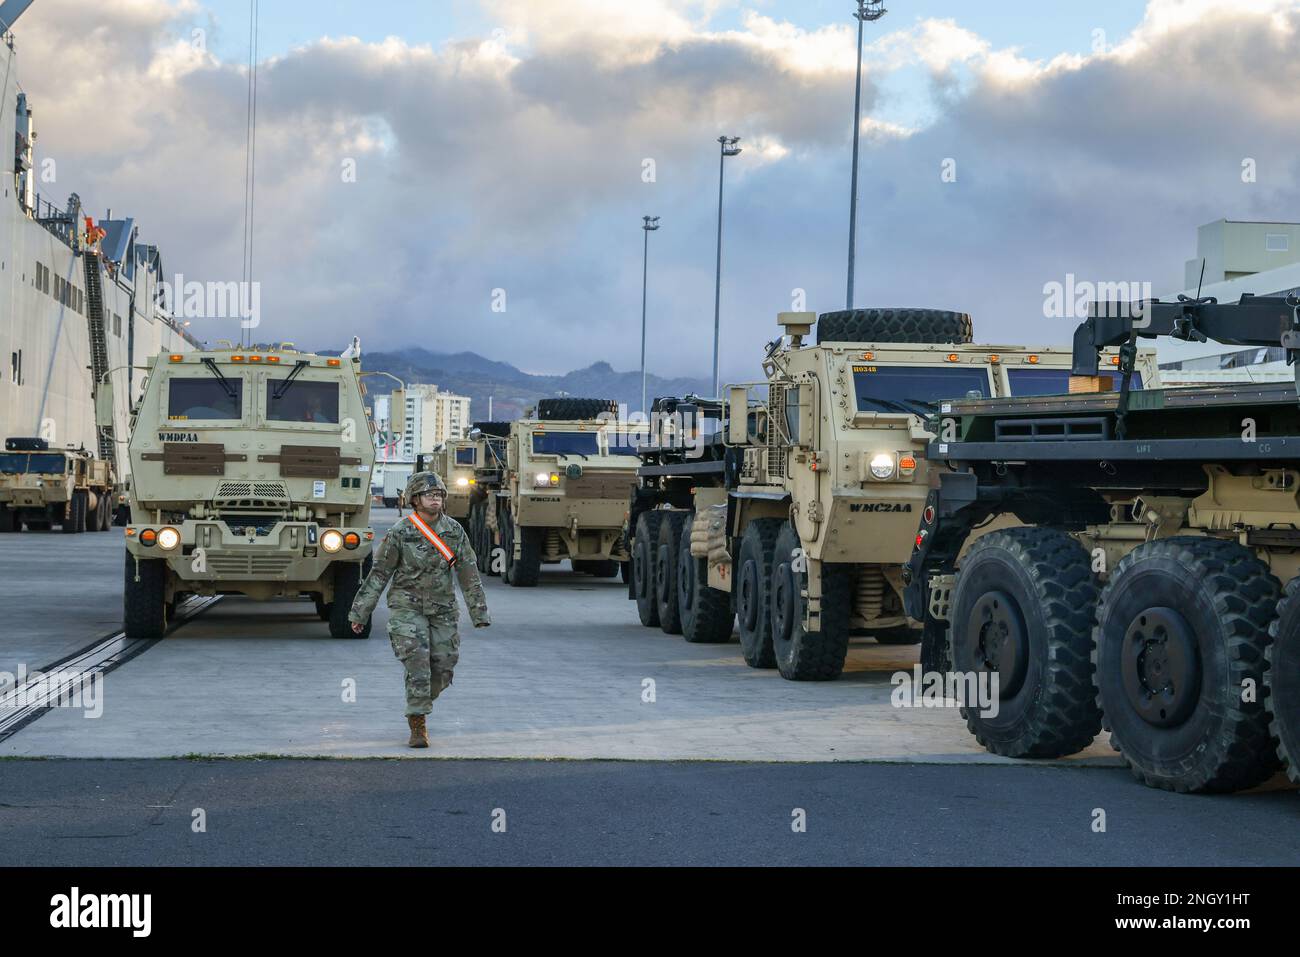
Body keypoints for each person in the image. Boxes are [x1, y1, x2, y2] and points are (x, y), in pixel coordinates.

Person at [349, 471, 491, 747]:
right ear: (415, 500)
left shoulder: (453, 531)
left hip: (443, 609)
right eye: (429, 495)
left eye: (439, 495)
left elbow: (468, 573)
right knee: (418, 664)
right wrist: (360, 613)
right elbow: (379, 574)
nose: (435, 499)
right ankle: (417, 723)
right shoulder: (401, 532)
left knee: (443, 666)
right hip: (407, 608)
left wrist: (479, 613)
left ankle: (421, 700)